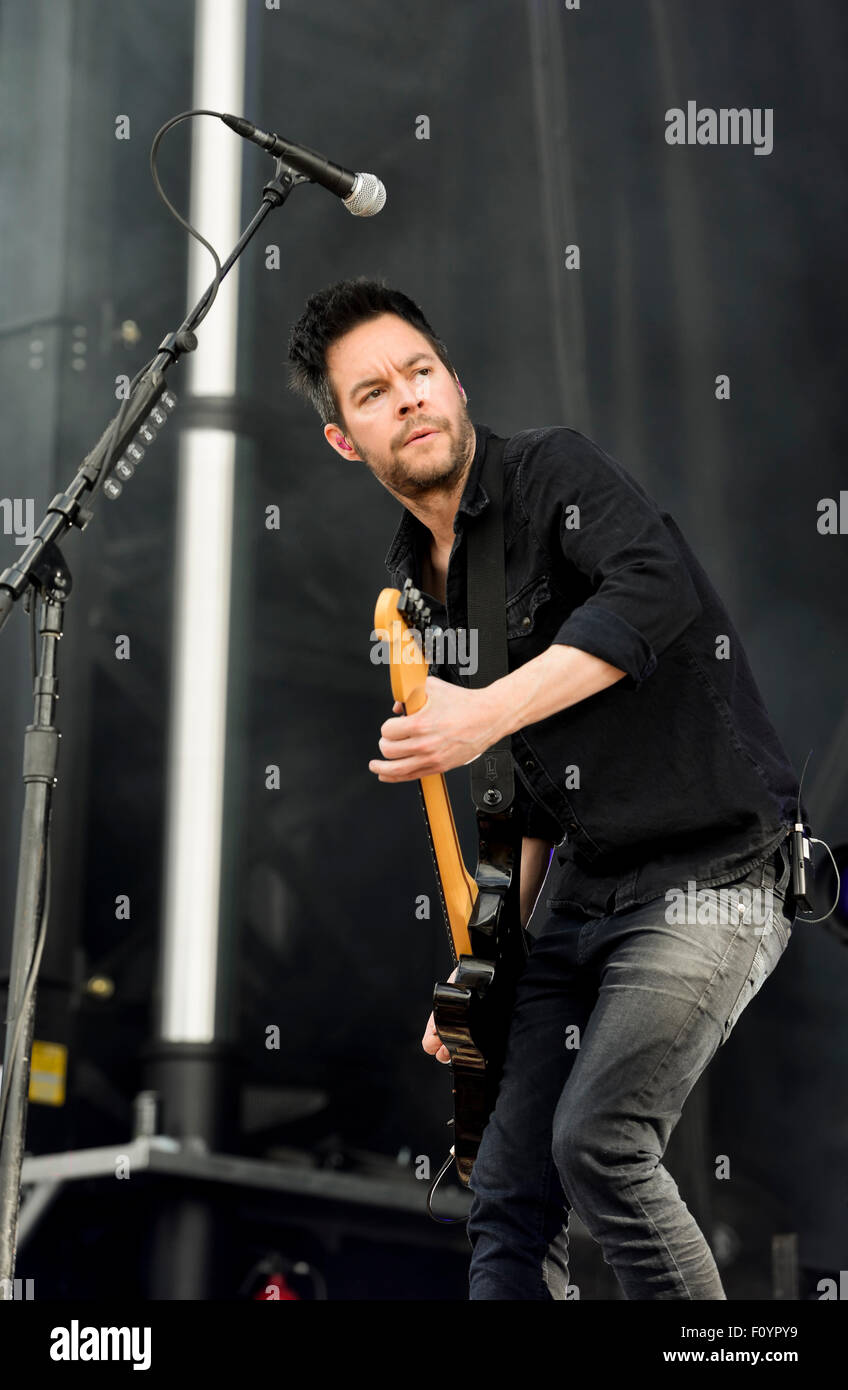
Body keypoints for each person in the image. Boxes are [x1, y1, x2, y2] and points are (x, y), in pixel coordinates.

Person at [287, 275, 804, 1300]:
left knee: (598, 1140)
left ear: (456, 380)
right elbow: (523, 795)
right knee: (504, 1195)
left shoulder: (552, 472)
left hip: (712, 868)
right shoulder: (416, 587)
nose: (409, 397)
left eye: (421, 371)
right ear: (345, 440)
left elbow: (652, 591)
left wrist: (483, 709)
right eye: (375, 392)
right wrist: (486, 965)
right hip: (583, 883)